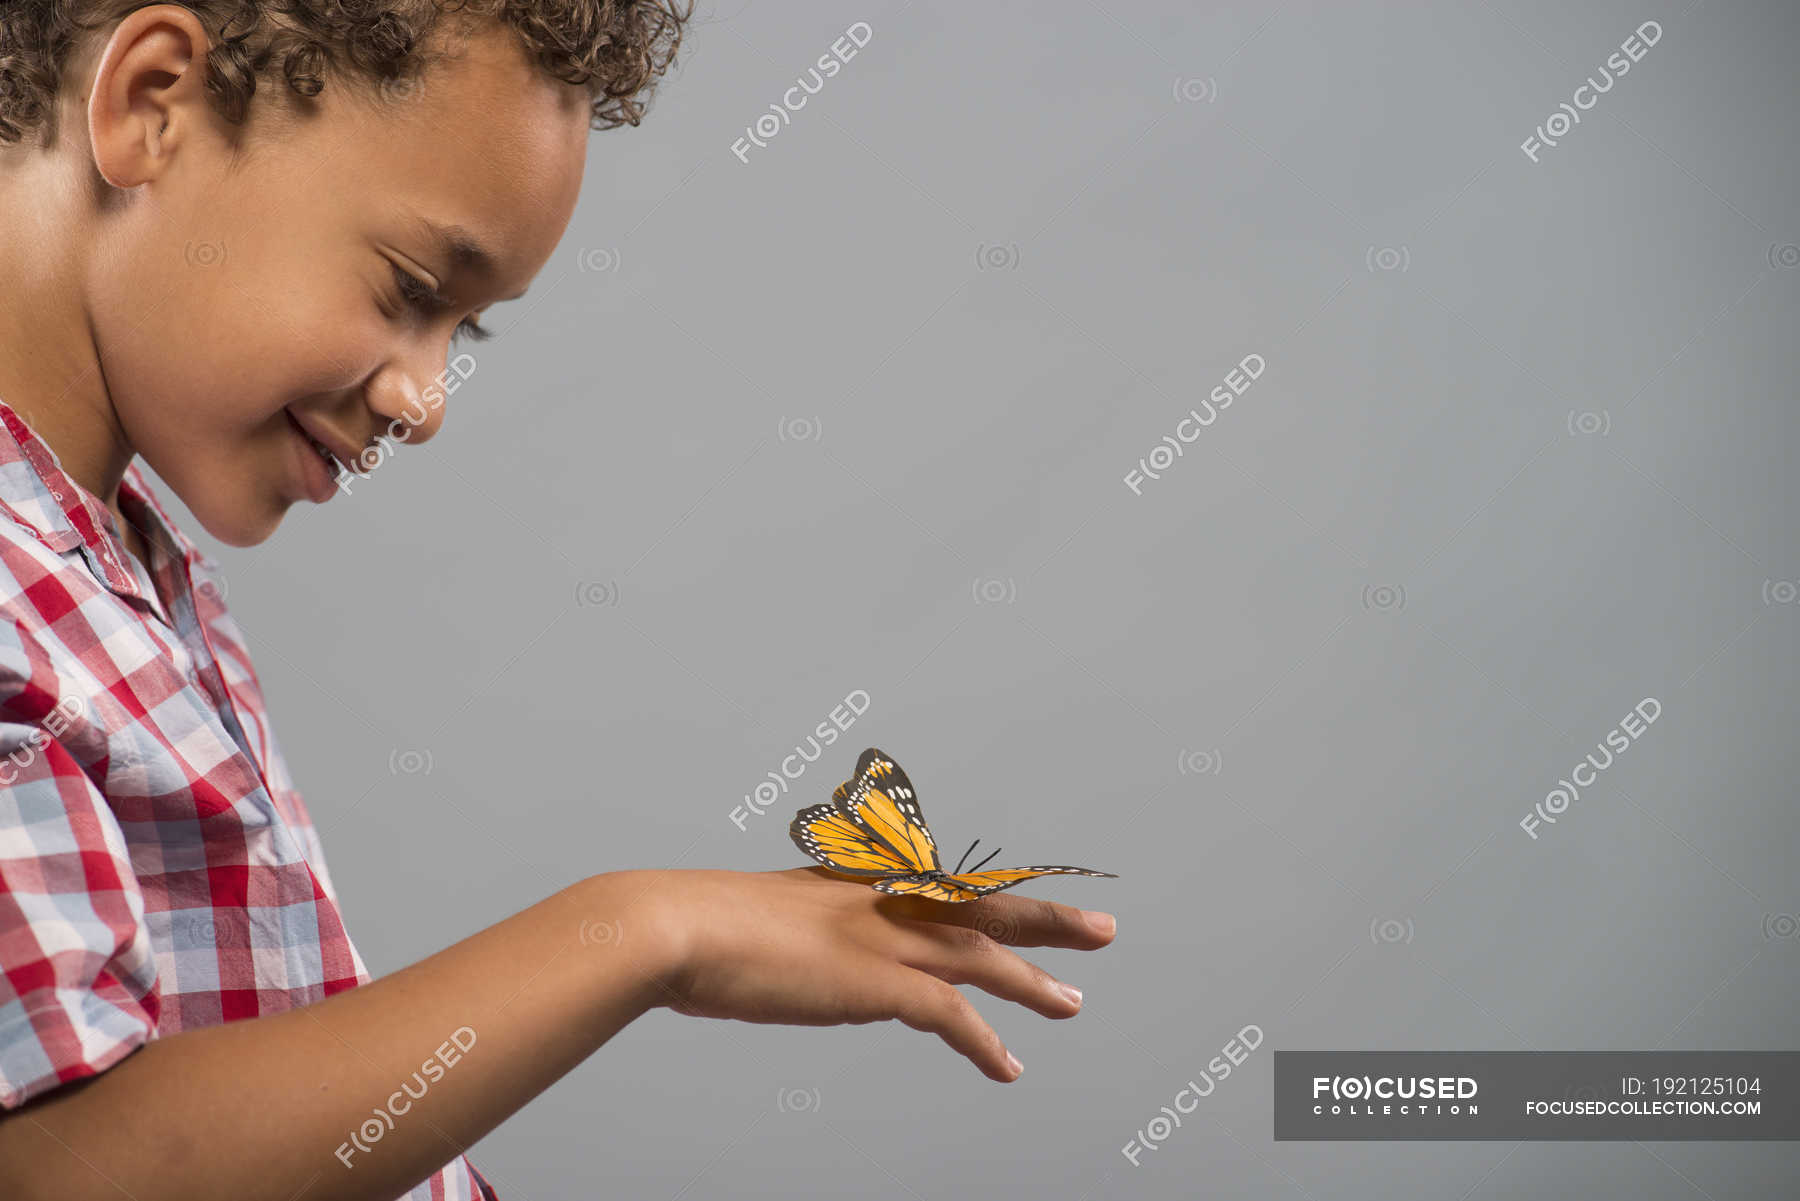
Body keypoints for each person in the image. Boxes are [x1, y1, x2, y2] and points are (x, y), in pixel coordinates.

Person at [0, 5, 1118, 1199]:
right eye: (411, 287)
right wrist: (642, 933)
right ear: (153, 103)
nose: (426, 399)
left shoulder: (130, 566)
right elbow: (64, 1164)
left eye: (463, 328)